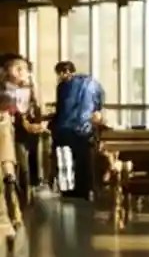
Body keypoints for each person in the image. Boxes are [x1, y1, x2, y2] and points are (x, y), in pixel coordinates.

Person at [49, 60, 104, 200]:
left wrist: (53, 123)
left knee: (66, 159)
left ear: (64, 72)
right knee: (84, 160)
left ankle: (68, 190)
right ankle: (86, 189)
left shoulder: (62, 87)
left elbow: (61, 108)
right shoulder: (91, 82)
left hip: (65, 129)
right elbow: (99, 99)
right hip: (85, 128)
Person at [0, 53, 44, 199]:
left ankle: (27, 189)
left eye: (24, 69)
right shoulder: (4, 89)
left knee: (27, 160)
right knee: (15, 160)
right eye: (18, 68)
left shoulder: (29, 89)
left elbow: (37, 107)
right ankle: (17, 189)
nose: (22, 72)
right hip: (10, 129)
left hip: (25, 129)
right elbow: (8, 107)